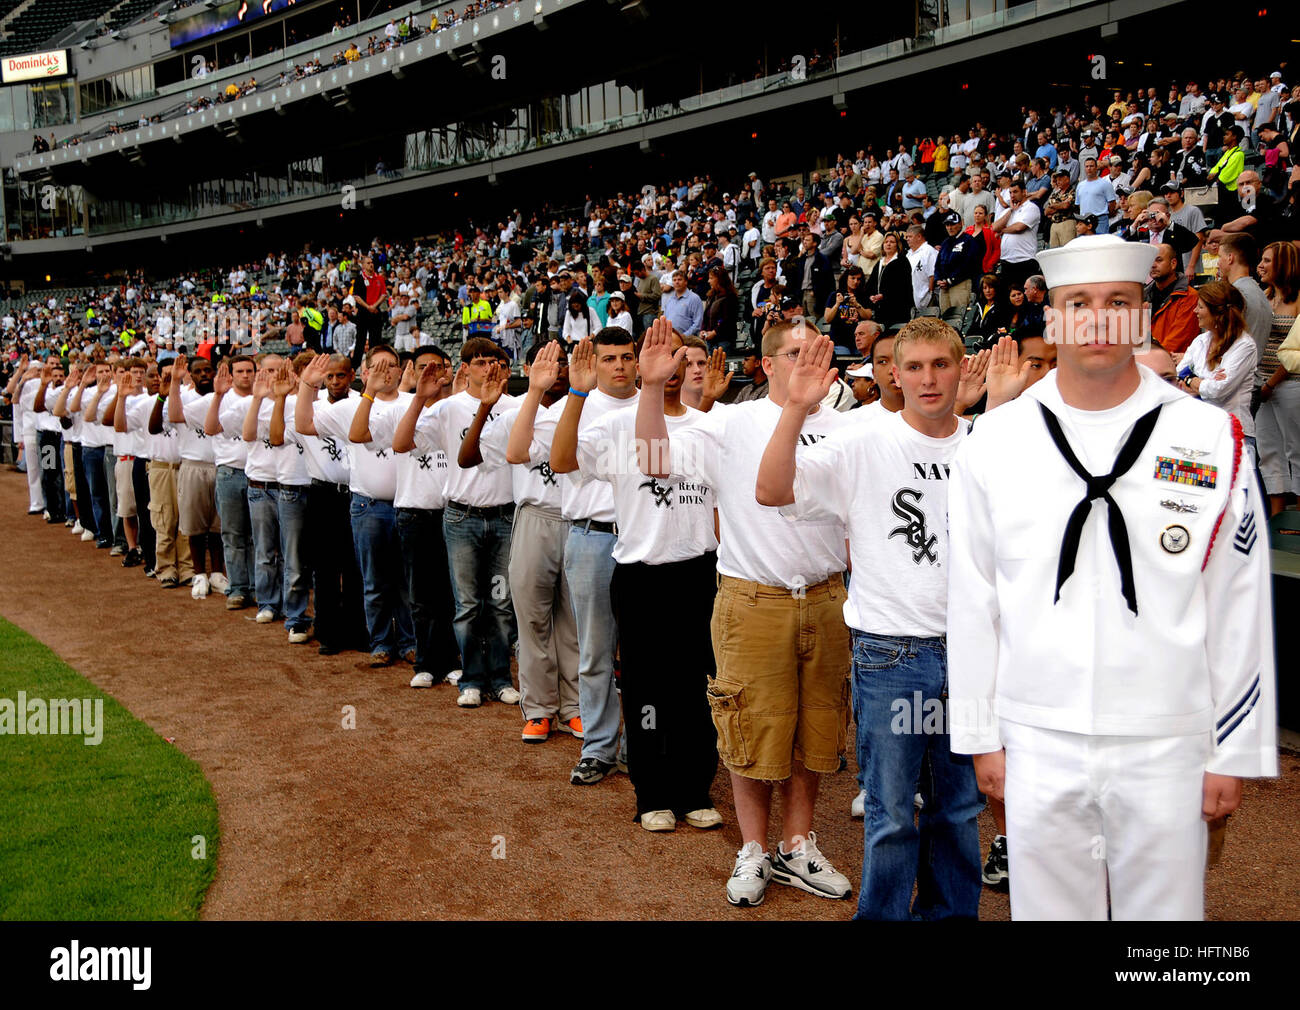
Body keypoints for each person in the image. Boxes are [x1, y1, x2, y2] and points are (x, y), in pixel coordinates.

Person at [947, 234, 1278, 920]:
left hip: (1169, 738)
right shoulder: (996, 443)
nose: (1097, 319)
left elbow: (1239, 597)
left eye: (1118, 302)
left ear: (1142, 315)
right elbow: (974, 598)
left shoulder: (1208, 438)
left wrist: (1232, 748)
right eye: (1078, 303)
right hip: (1037, 737)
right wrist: (981, 734)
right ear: (1053, 318)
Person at [756, 317, 982, 920]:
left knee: (958, 809)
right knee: (889, 810)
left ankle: (950, 915)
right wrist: (795, 410)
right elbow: (772, 490)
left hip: (972, 651)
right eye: (913, 366)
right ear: (893, 373)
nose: (928, 378)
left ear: (962, 367)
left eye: (941, 364)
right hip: (892, 653)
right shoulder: (861, 440)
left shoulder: (987, 444)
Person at [635, 320, 854, 908]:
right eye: (792, 352)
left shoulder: (847, 425)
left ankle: (797, 844)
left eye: (816, 350)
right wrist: (654, 390)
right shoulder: (731, 422)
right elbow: (655, 460)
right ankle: (754, 849)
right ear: (766, 365)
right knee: (750, 726)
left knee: (817, 730)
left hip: (828, 597)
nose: (806, 361)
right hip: (752, 599)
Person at [569, 326, 721, 831]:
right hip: (640, 575)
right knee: (645, 690)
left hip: (698, 573)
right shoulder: (615, 425)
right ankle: (652, 791)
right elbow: (564, 461)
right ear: (641, 366)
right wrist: (574, 392)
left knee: (695, 686)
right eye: (659, 355)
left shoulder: (709, 427)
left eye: (682, 356)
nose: (673, 364)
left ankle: (695, 788)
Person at [482, 340, 580, 740]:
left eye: (562, 364)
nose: (555, 370)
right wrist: (521, 395)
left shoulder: (586, 407)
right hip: (534, 515)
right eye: (546, 363)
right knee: (532, 616)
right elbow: (481, 456)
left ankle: (575, 707)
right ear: (529, 366)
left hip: (578, 519)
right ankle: (539, 707)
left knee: (574, 620)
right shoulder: (514, 411)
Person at [297, 345, 417, 668]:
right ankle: (379, 641)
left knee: (406, 581)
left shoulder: (413, 402)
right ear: (364, 373)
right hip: (367, 504)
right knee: (374, 580)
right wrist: (307, 386)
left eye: (390, 366)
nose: (384, 372)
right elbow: (305, 424)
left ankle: (409, 641)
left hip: (409, 505)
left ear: (400, 370)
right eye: (376, 367)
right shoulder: (350, 406)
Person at [277, 353, 366, 655]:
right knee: (325, 569)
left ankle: (357, 631)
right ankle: (328, 633)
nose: (335, 381)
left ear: (351, 374)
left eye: (341, 375)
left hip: (357, 493)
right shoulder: (309, 409)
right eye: (330, 376)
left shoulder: (363, 404)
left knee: (355, 567)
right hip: (323, 494)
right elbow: (278, 436)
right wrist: (297, 389)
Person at [166, 355, 229, 603]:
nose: (205, 374)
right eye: (199, 371)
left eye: (208, 370)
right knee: (194, 525)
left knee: (217, 524)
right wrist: (173, 382)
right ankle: (198, 573)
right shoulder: (184, 397)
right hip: (193, 465)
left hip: (219, 465)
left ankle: (216, 572)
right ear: (191, 375)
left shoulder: (224, 397)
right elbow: (173, 416)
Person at [1179, 281, 1258, 453]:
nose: (1195, 311)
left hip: (1232, 433)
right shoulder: (1200, 341)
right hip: (1201, 431)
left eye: (1200, 307)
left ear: (1216, 312)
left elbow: (1217, 390)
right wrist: (1197, 381)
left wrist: (1190, 378)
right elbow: (1178, 375)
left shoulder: (1244, 345)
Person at [204, 356, 257, 609]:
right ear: (232, 374)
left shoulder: (264, 397)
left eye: (249, 370)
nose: (245, 375)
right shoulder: (222, 398)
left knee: (259, 537)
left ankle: (259, 589)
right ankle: (238, 588)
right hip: (230, 472)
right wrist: (217, 395)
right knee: (234, 534)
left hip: (259, 475)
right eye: (240, 371)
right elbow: (210, 428)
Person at [1146, 242, 1201, 353]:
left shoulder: (1189, 297)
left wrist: (1150, 360)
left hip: (1172, 364)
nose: (1153, 265)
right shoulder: (1143, 295)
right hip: (1146, 360)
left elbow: (1178, 340)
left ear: (1173, 264)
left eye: (1159, 260)